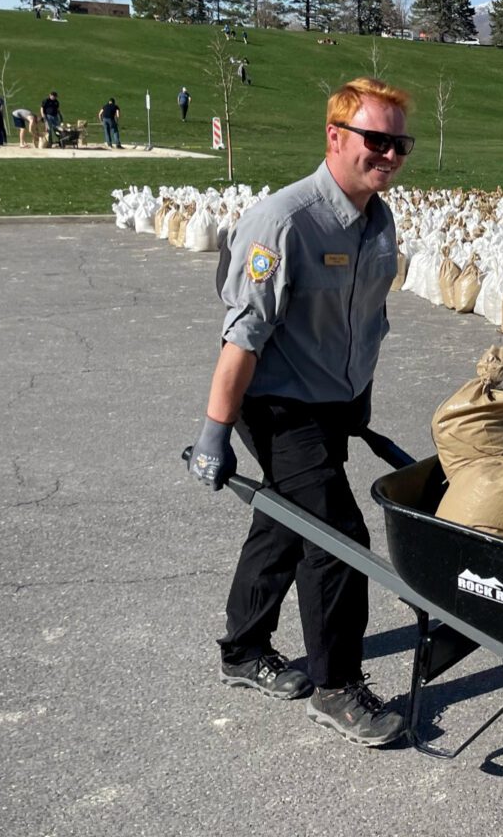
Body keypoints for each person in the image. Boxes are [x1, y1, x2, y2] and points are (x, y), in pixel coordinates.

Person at [188, 76, 414, 747]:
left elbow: (365, 320)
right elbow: (243, 338)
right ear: (335, 136)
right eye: (377, 139)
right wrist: (214, 434)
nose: (391, 154)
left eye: (400, 142)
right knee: (339, 539)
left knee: (284, 524)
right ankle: (336, 689)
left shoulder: (377, 217)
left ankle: (243, 651)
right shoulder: (283, 222)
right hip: (278, 405)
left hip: (333, 403)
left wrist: (356, 402)